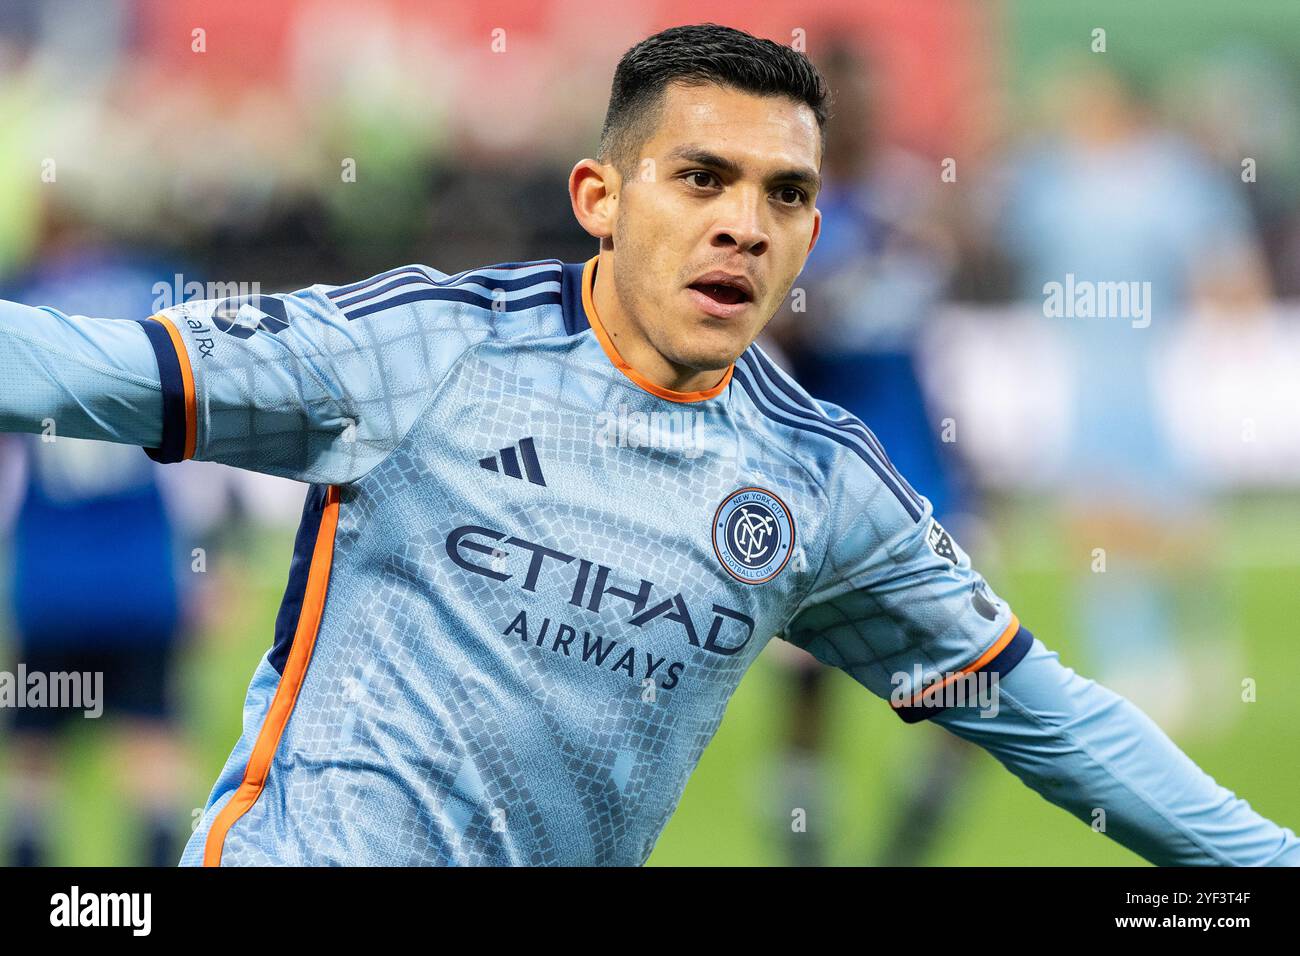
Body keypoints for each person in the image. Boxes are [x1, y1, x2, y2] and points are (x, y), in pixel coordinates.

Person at [0, 24, 1295, 866]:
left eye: (785, 196)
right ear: (598, 201)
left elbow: (1051, 722)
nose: (747, 224)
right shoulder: (422, 352)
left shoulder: (814, 485)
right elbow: (83, 371)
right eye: (702, 178)